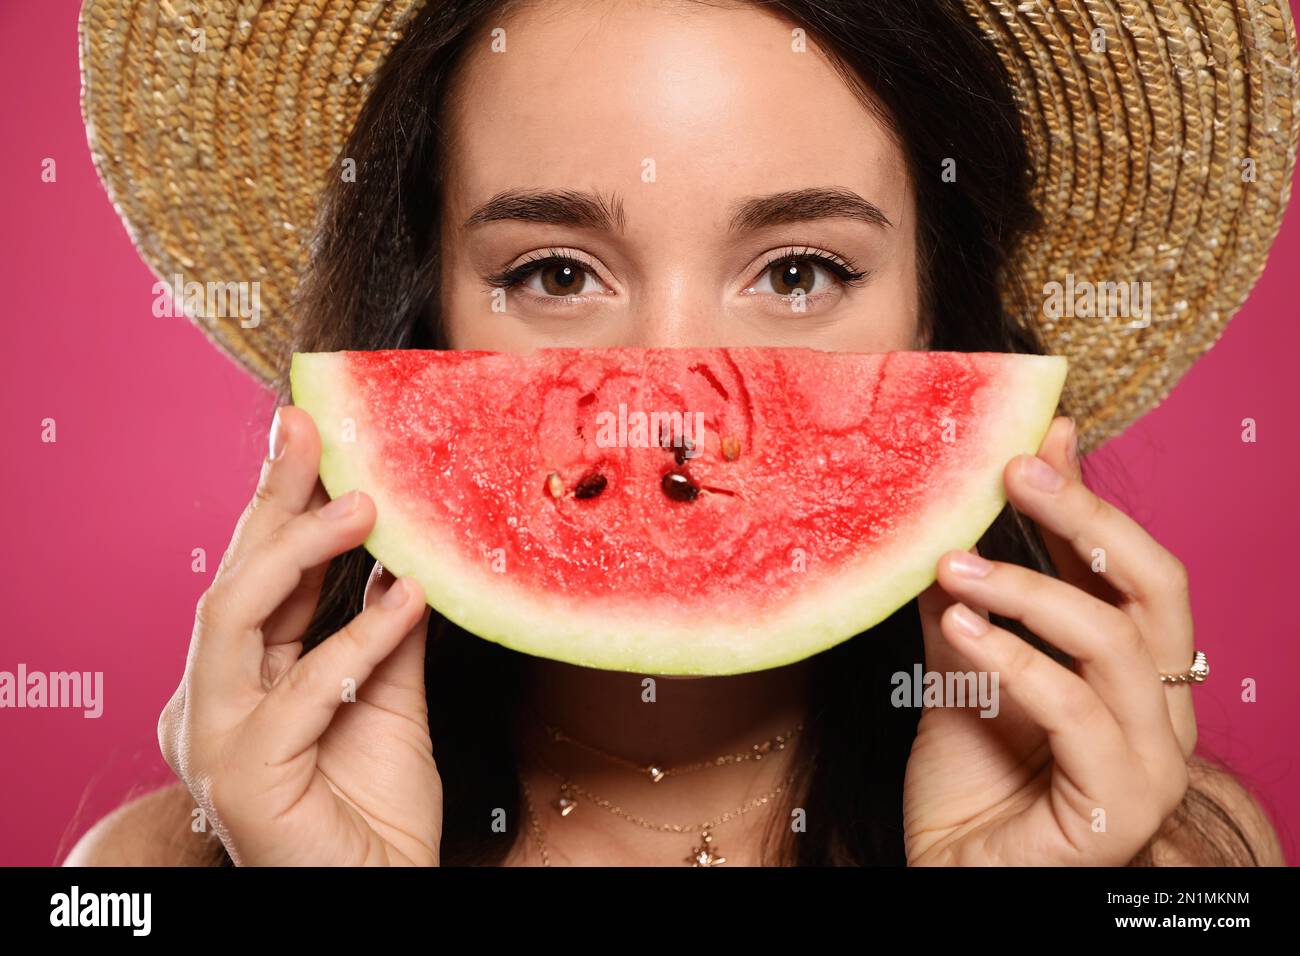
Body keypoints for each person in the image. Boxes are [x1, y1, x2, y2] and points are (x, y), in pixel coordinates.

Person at [68, 0, 1295, 865]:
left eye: (801, 271)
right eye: (554, 272)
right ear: (424, 316)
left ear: (939, 322)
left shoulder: (1170, 866)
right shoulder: (148, 873)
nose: (668, 391)